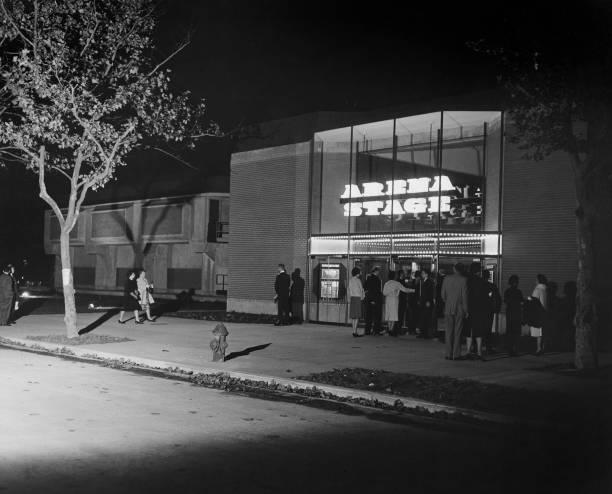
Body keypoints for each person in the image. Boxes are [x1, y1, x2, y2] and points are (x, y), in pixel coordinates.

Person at [441, 263, 469, 360]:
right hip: (459, 309)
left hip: (448, 308)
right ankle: (456, 354)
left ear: (454, 269)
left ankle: (448, 353)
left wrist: (448, 302)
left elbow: (443, 295)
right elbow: (464, 297)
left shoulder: (446, 279)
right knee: (458, 332)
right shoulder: (464, 280)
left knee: (448, 332)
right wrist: (466, 310)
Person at [466, 264, 490, 360]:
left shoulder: (468, 280)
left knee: (469, 330)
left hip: (470, 308)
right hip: (480, 309)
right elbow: (486, 296)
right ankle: (479, 351)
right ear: (478, 271)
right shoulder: (482, 282)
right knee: (479, 331)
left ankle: (468, 351)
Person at [382, 271, 415, 336]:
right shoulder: (397, 283)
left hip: (388, 300)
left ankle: (389, 329)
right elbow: (405, 289)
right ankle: (391, 330)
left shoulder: (386, 283)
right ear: (394, 276)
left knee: (389, 315)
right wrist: (413, 290)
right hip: (394, 300)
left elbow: (384, 293)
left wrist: (389, 292)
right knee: (393, 315)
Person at [526, 274, 548, 355]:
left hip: (538, 313)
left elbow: (534, 301)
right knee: (544, 331)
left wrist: (529, 298)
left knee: (538, 332)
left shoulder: (537, 290)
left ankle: (538, 349)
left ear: (538, 280)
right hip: (545, 312)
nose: (535, 281)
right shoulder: (546, 289)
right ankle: (544, 347)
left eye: (536, 280)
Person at [504, 275, 523, 356]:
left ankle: (510, 349)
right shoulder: (519, 292)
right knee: (517, 332)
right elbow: (522, 302)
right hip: (517, 313)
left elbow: (505, 301)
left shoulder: (507, 291)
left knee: (510, 331)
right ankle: (516, 349)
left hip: (509, 312)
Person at [483, 270, 502, 354]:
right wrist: (497, 309)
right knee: (488, 329)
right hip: (489, 310)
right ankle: (488, 347)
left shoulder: (479, 285)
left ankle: (476, 347)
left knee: (478, 328)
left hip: (479, 310)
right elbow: (498, 298)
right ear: (489, 276)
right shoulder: (492, 286)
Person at [416, 269, 436, 339]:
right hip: (423, 302)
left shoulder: (429, 282)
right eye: (422, 273)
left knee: (427, 318)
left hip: (427, 302)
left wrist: (428, 301)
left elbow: (430, 292)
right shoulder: (423, 281)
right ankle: (423, 333)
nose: (422, 274)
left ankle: (427, 334)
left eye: (423, 273)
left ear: (427, 274)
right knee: (423, 317)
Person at [364, 267, 383, 335]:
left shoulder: (368, 278)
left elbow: (365, 288)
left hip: (368, 299)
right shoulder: (376, 279)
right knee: (376, 316)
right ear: (376, 271)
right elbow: (376, 290)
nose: (379, 273)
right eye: (378, 271)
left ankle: (367, 331)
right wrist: (373, 299)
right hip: (375, 300)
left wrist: (369, 297)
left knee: (368, 316)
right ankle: (376, 330)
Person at [348, 267, 365, 337]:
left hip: (352, 298)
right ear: (357, 273)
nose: (361, 272)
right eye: (360, 271)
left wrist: (349, 298)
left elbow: (349, 289)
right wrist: (363, 296)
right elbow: (361, 289)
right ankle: (355, 331)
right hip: (358, 298)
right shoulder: (358, 280)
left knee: (353, 316)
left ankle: (353, 331)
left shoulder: (351, 280)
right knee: (357, 316)